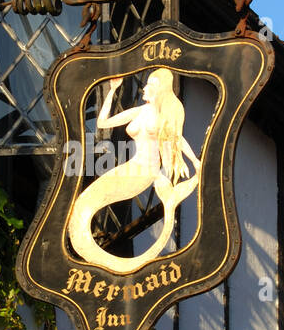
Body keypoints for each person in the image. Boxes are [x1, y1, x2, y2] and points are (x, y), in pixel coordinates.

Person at [67, 67, 200, 275]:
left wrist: (194, 161)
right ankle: (101, 258)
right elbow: (103, 123)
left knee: (85, 206)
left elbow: (176, 139)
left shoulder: (163, 116)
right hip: (132, 166)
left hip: (145, 172)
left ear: (161, 90)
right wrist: (112, 91)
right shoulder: (140, 111)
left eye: (152, 84)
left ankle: (116, 259)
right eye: (147, 83)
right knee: (83, 205)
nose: (145, 88)